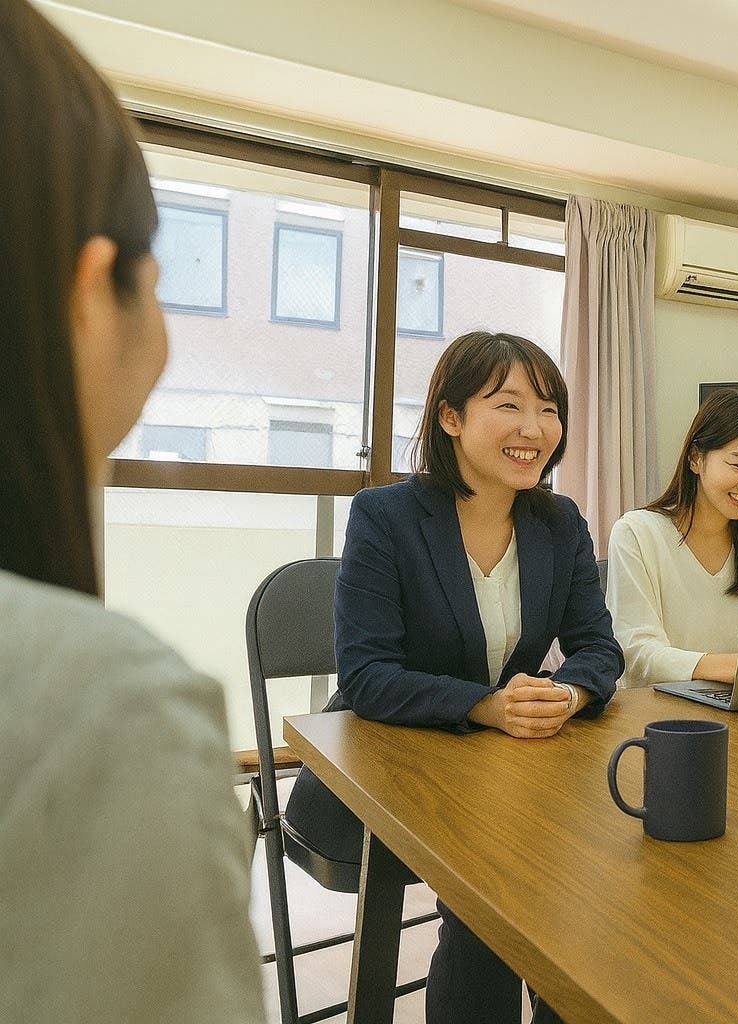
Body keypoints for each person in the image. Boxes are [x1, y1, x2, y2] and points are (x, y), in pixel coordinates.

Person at [0, 2, 263, 1020]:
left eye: (550, 404)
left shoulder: (560, 525)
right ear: (90, 283)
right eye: (156, 286)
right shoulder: (107, 712)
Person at [284, 331, 622, 1024]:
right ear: (450, 417)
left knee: (581, 891)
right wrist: (486, 707)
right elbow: (369, 675)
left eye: (550, 409)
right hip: (392, 768)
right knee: (499, 899)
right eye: (509, 406)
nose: (536, 429)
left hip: (508, 773)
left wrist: (566, 691)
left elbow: (599, 648)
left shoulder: (560, 522)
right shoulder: (386, 517)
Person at [606, 388, 738, 687]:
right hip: (658, 713)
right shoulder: (637, 533)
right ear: (696, 458)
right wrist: (728, 667)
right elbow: (636, 655)